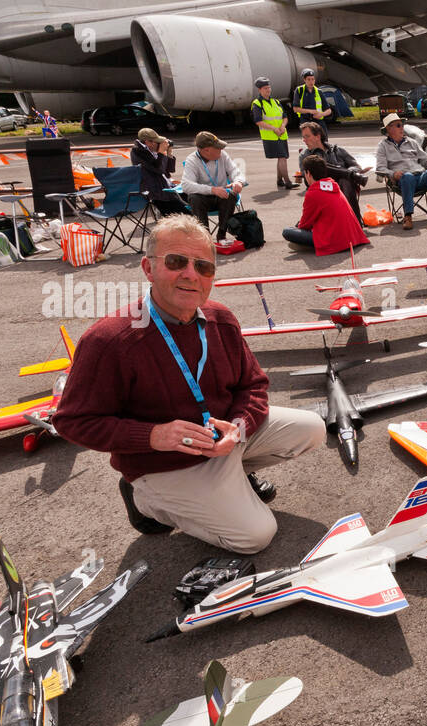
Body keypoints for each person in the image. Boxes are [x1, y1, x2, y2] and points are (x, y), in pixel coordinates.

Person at [53, 215, 327, 554]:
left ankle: (230, 480)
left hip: (222, 442)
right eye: (175, 261)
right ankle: (145, 500)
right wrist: (154, 436)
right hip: (162, 462)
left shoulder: (221, 319)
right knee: (256, 536)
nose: (191, 274)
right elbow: (70, 421)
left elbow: (254, 386)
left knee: (313, 427)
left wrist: (238, 429)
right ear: (148, 268)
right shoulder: (109, 340)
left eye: (204, 266)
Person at [375, 112, 427, 230]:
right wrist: (393, 174)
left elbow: (426, 160)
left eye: (402, 125)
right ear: (389, 129)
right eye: (398, 125)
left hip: (419, 177)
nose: (402, 128)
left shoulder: (411, 142)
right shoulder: (383, 146)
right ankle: (408, 216)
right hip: (401, 180)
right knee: (408, 177)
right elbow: (380, 168)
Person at [283, 155, 370, 255]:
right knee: (299, 226)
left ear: (308, 173)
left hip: (334, 241)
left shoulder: (313, 193)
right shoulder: (333, 185)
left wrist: (299, 226)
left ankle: (308, 245)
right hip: (353, 238)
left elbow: (305, 224)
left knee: (287, 232)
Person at [180, 131, 247, 243]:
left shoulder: (223, 155)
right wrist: (212, 190)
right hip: (204, 198)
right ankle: (205, 237)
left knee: (231, 195)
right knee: (194, 198)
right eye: (218, 148)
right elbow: (186, 185)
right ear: (206, 149)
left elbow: (235, 171)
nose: (221, 150)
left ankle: (222, 234)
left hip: (223, 196)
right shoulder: (191, 160)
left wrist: (238, 181)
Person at [299, 120, 367, 224]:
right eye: (303, 137)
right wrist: (346, 173)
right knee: (320, 164)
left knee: (345, 181)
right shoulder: (305, 155)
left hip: (341, 186)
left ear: (318, 136)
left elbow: (356, 166)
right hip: (322, 187)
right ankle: (355, 222)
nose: (304, 140)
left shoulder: (337, 150)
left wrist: (348, 171)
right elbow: (306, 176)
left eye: (307, 136)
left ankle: (355, 222)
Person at [130, 128, 189, 217]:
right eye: (156, 142)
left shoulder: (152, 151)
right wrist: (161, 152)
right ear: (147, 142)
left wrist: (169, 153)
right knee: (189, 214)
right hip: (158, 193)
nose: (159, 144)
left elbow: (170, 169)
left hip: (168, 187)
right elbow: (159, 169)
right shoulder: (138, 152)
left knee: (195, 201)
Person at [251, 77, 297, 189]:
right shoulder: (257, 103)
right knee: (282, 157)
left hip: (281, 134)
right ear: (260, 90)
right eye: (265, 88)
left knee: (281, 157)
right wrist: (274, 129)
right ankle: (287, 182)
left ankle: (279, 180)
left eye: (269, 87)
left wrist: (282, 126)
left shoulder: (276, 101)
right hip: (270, 136)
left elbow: (285, 117)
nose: (268, 90)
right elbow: (258, 121)